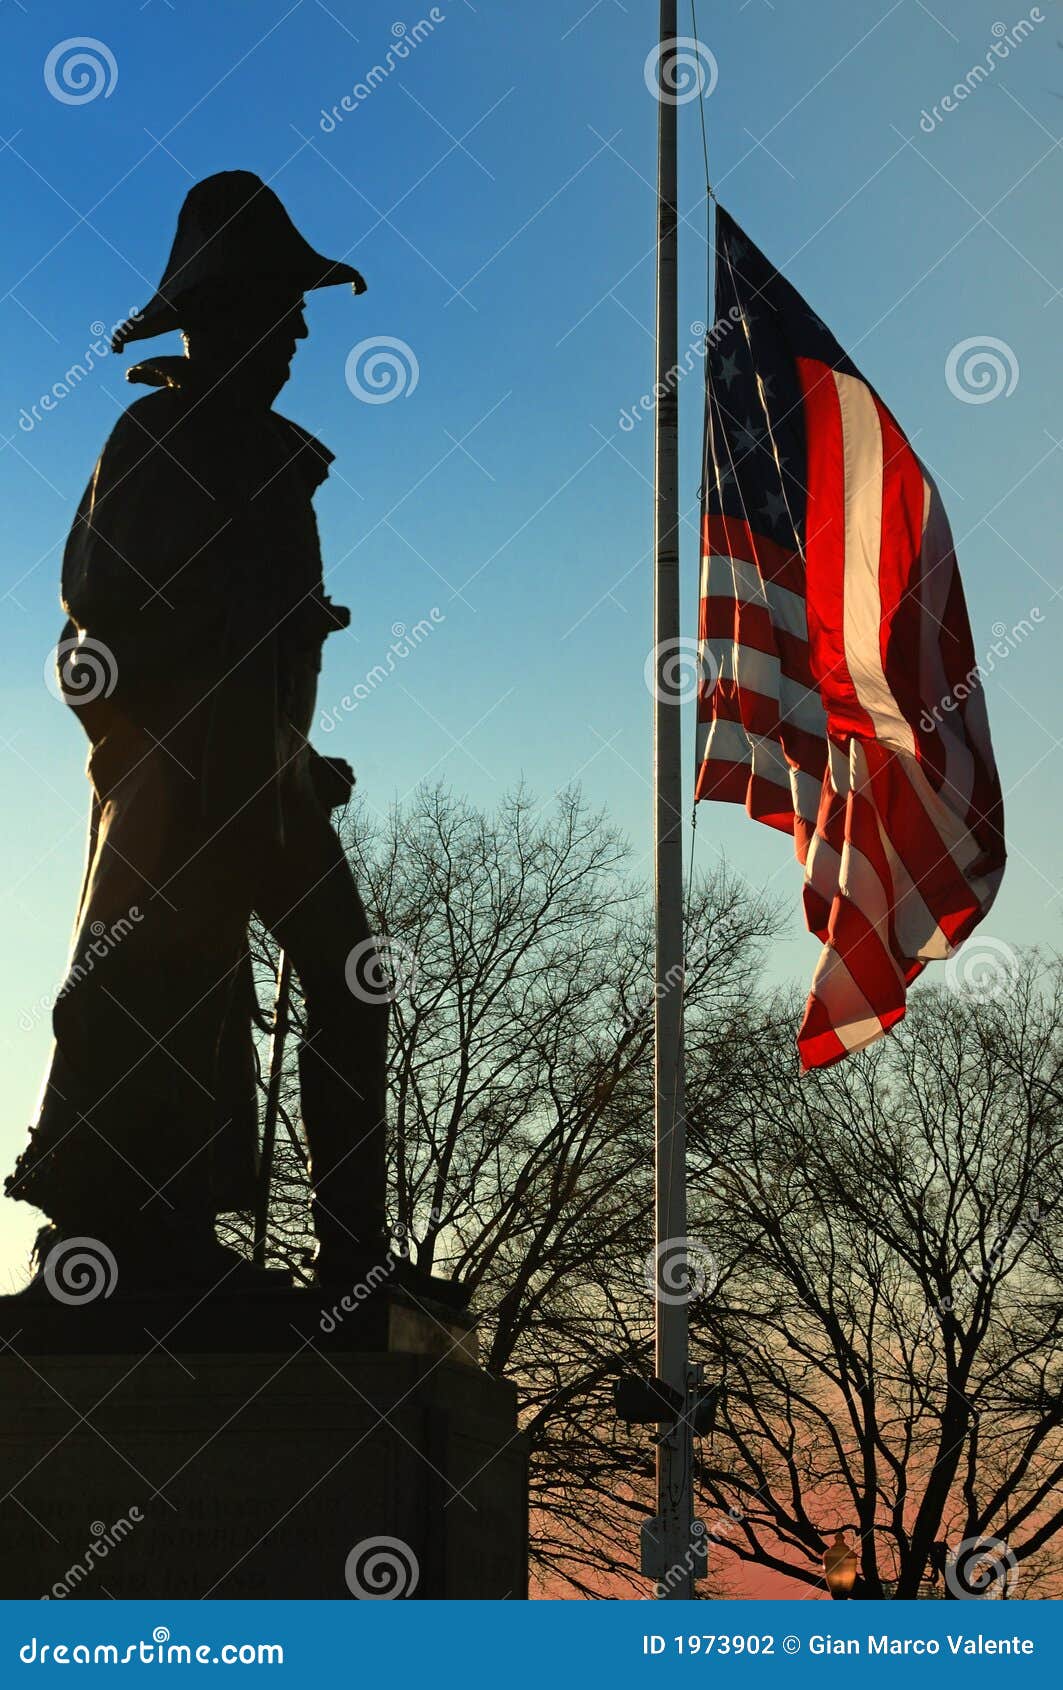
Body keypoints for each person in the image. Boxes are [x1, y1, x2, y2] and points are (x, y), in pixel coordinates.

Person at [7, 172, 388, 1291]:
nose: (305, 331)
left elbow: (271, 662)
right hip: (182, 780)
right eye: (285, 307)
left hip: (264, 777)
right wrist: (166, 741)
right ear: (230, 317)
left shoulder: (277, 464)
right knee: (166, 984)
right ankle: (133, 1231)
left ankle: (352, 1257)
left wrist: (294, 752)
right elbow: (92, 626)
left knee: (352, 979)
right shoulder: (154, 437)